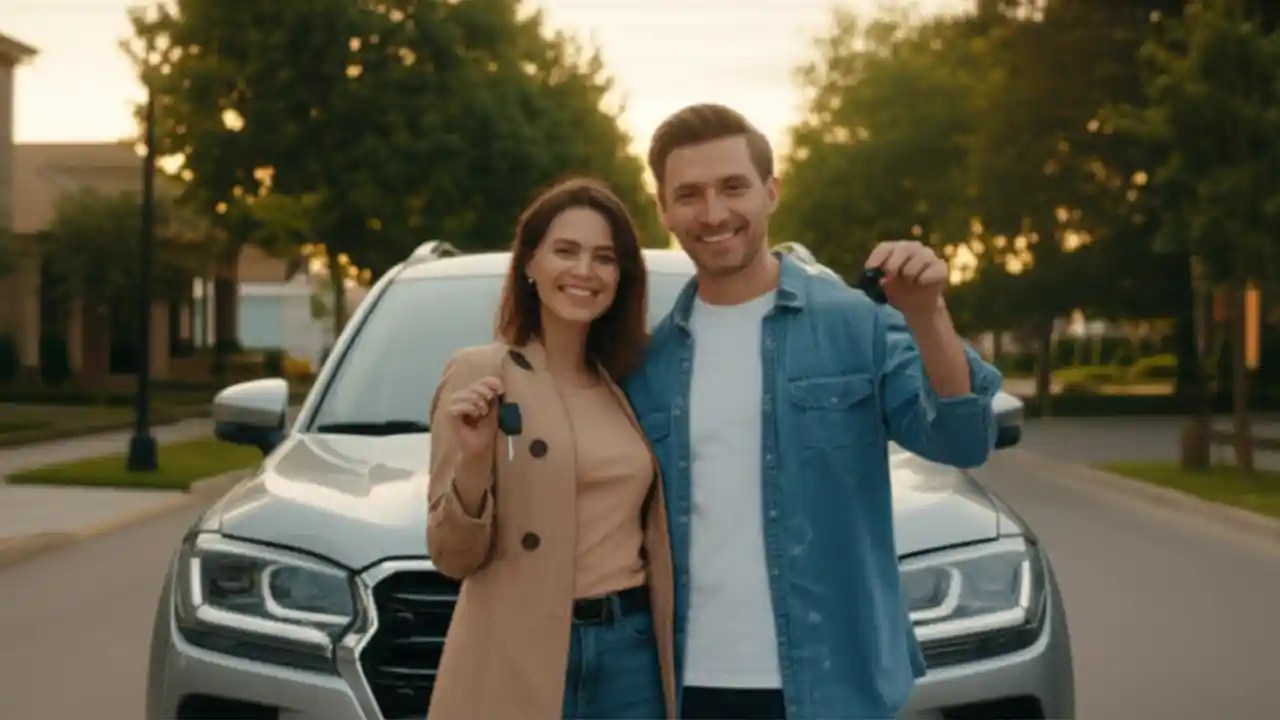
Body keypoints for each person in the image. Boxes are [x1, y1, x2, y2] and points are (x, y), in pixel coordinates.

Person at [622, 103, 1005, 720]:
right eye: (689, 194)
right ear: (664, 210)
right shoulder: (645, 364)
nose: (714, 213)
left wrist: (927, 315)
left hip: (836, 686)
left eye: (733, 187)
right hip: (681, 690)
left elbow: (963, 440)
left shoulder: (856, 324)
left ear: (771, 192)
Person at [425, 177, 677, 720]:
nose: (585, 271)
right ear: (529, 265)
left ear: (620, 277)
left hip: (630, 649)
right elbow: (450, 556)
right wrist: (472, 461)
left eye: (604, 257)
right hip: (522, 646)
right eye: (565, 251)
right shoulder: (480, 373)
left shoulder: (629, 382)